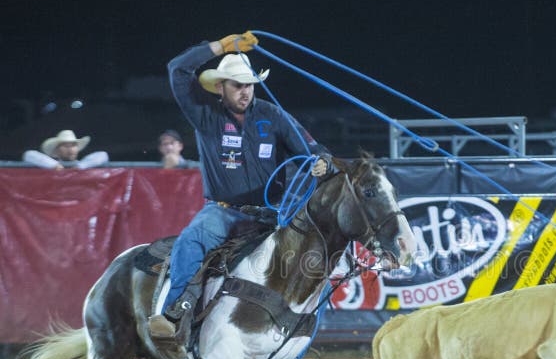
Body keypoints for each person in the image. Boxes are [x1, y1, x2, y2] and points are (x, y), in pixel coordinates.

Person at [148, 30, 332, 342]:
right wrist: (219, 46)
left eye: (249, 85)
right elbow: (177, 69)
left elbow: (311, 148)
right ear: (220, 87)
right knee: (192, 242)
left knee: (316, 265)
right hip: (223, 213)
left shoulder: (272, 115)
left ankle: (295, 344)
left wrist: (322, 161)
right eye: (237, 85)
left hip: (273, 215)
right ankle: (173, 311)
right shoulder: (206, 114)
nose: (245, 91)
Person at [22, 129, 108, 170]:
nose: (70, 149)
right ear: (56, 150)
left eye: (73, 145)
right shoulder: (47, 165)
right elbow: (28, 155)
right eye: (65, 146)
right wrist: (54, 166)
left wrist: (80, 167)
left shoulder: (85, 165)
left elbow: (103, 155)